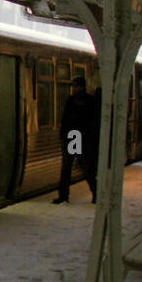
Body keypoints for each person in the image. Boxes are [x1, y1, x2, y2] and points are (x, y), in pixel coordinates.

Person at [53, 76, 96, 204]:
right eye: (73, 86)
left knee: (76, 168)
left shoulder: (74, 101)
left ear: (82, 86)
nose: (74, 88)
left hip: (78, 138)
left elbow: (67, 119)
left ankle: (65, 196)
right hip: (75, 137)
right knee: (76, 168)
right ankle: (64, 195)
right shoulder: (86, 101)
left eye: (76, 86)